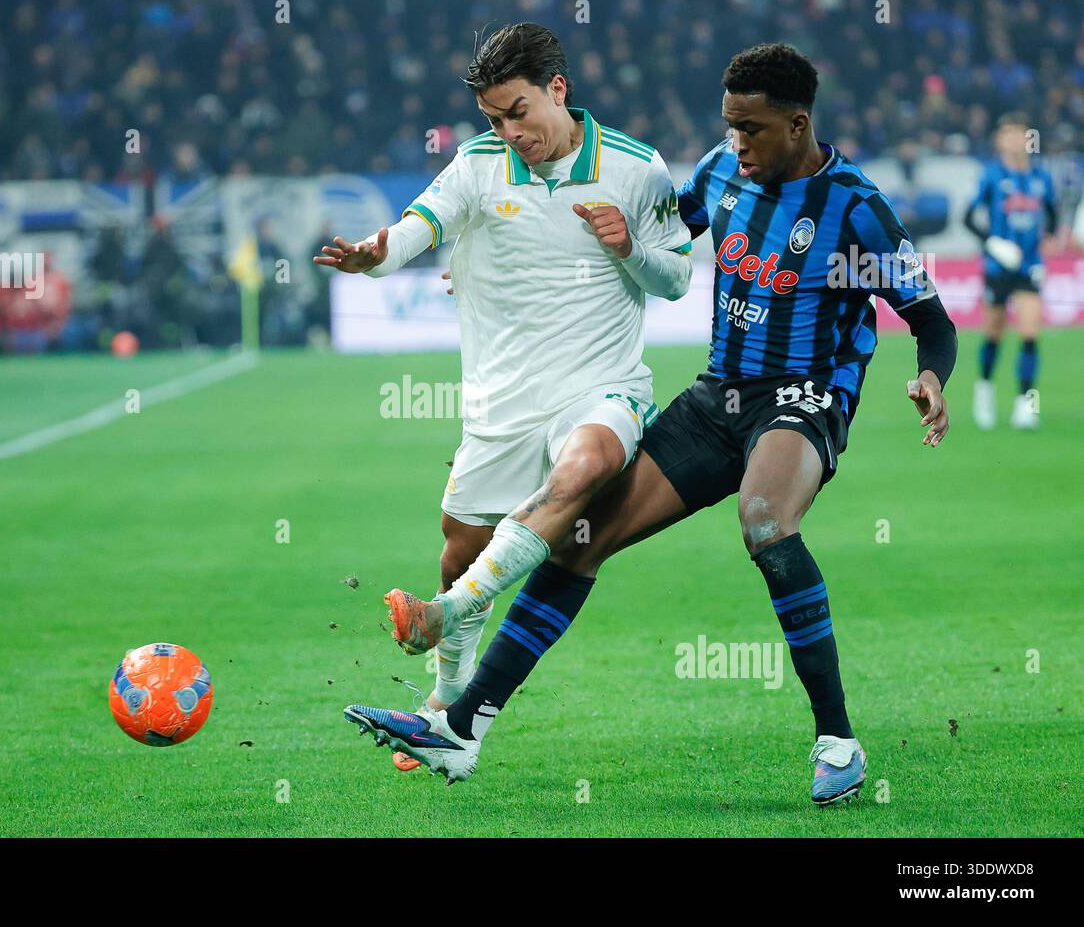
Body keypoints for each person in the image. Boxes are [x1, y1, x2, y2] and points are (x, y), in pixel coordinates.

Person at [345, 43, 957, 806]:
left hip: (804, 398)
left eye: (752, 130)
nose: (735, 144)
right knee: (577, 541)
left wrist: (932, 376)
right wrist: (487, 260)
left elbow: (932, 320)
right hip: (718, 398)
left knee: (764, 521)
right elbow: (657, 246)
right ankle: (461, 732)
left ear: (798, 125)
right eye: (728, 127)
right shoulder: (722, 170)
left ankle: (838, 740)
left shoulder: (857, 209)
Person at [316, 23, 692, 739]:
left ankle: (443, 617)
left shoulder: (639, 169)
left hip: (603, 384)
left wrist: (631, 246)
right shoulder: (479, 165)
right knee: (461, 552)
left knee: (585, 466)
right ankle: (442, 704)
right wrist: (376, 254)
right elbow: (419, 226)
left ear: (558, 88)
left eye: (518, 111)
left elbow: (675, 277)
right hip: (503, 401)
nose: (509, 130)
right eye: (494, 118)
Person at [964, 112, 1058, 430]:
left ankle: (1025, 405)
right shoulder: (991, 176)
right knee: (995, 331)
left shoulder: (1041, 177)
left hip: (1030, 265)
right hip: (998, 266)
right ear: (1000, 140)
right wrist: (993, 244)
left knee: (1031, 332)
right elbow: (967, 217)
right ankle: (985, 391)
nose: (1016, 140)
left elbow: (1053, 214)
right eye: (1009, 134)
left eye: (1021, 134)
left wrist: (1048, 240)